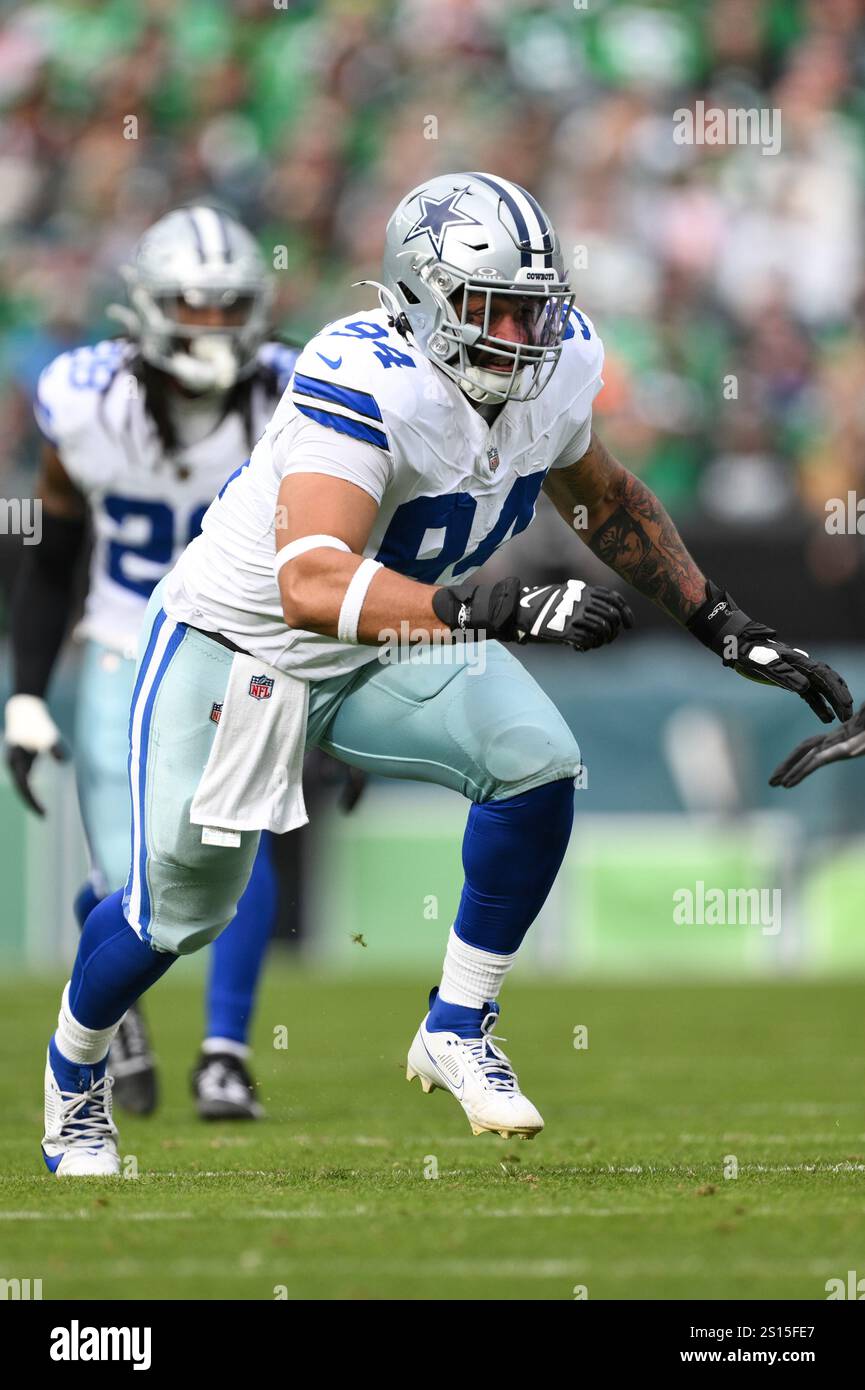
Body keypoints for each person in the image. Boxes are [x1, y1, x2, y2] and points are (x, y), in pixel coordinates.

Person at [38, 173, 852, 1175]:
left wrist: (722, 625)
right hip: (241, 646)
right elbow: (309, 583)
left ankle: (457, 1022)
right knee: (178, 912)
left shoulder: (555, 369)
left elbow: (602, 497)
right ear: (422, 297)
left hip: (393, 637)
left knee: (536, 759)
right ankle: (73, 1074)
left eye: (534, 305)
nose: (521, 331)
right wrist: (489, 608)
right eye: (493, 306)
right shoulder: (364, 372)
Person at [8, 206, 296, 1120]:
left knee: (238, 839)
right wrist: (23, 694)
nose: (212, 327)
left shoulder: (296, 395)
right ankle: (109, 1023)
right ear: (147, 307)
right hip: (124, 643)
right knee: (126, 858)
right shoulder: (88, 398)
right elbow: (52, 558)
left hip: (241, 639)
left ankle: (224, 1054)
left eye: (230, 308)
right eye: (192, 306)